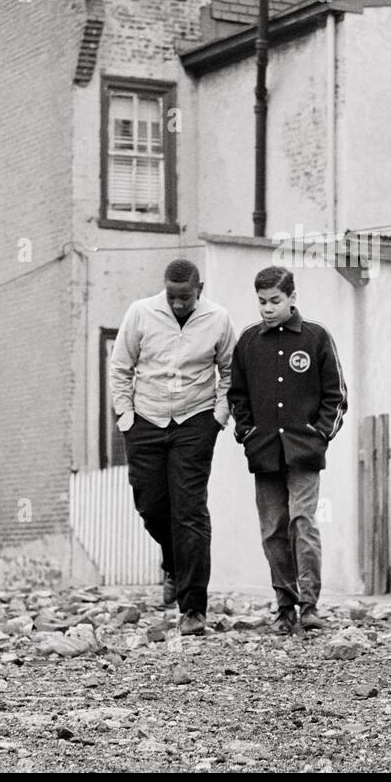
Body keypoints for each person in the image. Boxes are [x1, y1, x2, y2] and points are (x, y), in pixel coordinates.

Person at [109, 259, 236, 637]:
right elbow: (120, 368)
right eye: (172, 297)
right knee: (150, 505)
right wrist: (125, 416)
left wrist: (219, 415)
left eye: (185, 297)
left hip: (195, 420)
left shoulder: (219, 319)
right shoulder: (140, 313)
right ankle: (174, 563)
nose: (179, 304)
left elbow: (229, 371)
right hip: (145, 420)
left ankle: (193, 607)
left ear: (200, 288)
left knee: (190, 511)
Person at [228, 266, 347, 634]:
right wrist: (247, 433)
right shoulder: (248, 342)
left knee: (303, 521)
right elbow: (237, 397)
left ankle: (310, 605)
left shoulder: (316, 338)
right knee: (273, 529)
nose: (267, 308)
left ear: (292, 298)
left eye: (275, 301)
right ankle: (284, 606)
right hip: (264, 453)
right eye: (261, 301)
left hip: (304, 452)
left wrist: (319, 434)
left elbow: (337, 396)